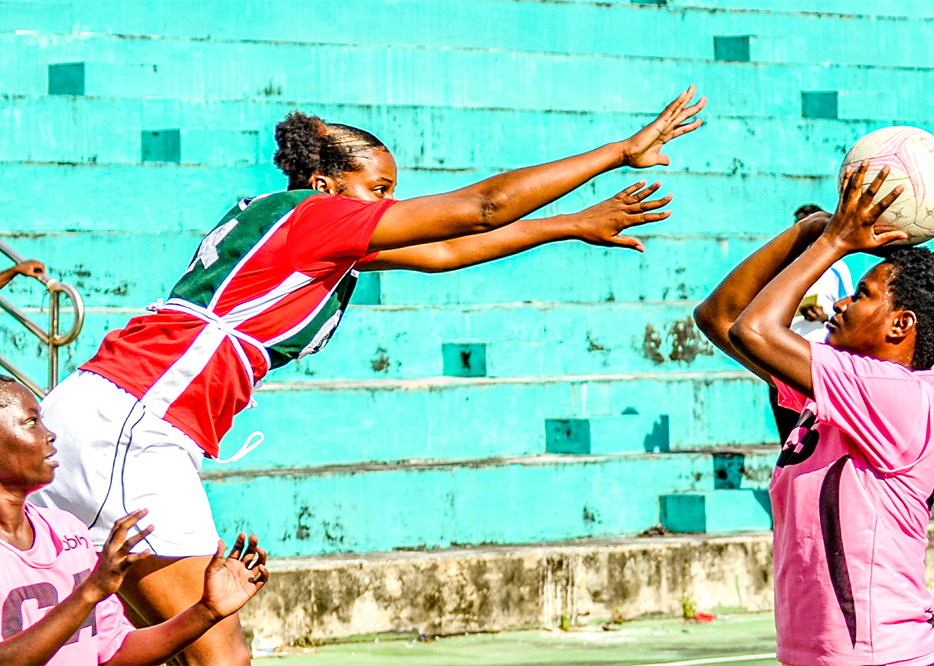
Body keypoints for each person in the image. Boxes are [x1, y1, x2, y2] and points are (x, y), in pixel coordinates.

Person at [32, 86, 707, 664]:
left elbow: (444, 248)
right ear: (326, 187)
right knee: (218, 651)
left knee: (133, 646)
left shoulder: (289, 230)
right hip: (135, 422)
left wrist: (570, 224)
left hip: (111, 411)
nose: (390, 204)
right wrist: (622, 151)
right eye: (379, 190)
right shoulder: (314, 221)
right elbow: (484, 207)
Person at [694, 161, 934, 666]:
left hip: (877, 658)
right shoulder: (843, 385)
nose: (842, 301)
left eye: (863, 294)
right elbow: (719, 318)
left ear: (900, 324)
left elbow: (752, 329)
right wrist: (806, 231)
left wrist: (834, 243)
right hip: (818, 655)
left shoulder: (897, 393)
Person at [0, 376, 268, 665]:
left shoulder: (68, 531)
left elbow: (114, 650)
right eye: (31, 423)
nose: (50, 434)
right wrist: (89, 593)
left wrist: (207, 611)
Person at [767, 204, 853, 442]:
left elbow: (849, 313)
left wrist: (823, 317)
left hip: (819, 362)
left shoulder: (836, 268)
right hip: (783, 360)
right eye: (800, 228)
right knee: (788, 440)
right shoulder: (782, 267)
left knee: (817, 440)